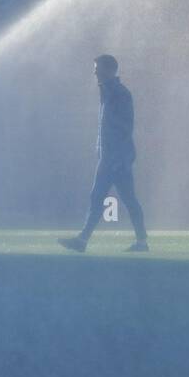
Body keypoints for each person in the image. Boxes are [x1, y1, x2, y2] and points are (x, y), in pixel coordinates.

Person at [58, 54, 148, 253]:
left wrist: (117, 157)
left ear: (109, 70)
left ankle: (83, 240)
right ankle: (141, 241)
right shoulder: (109, 91)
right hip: (111, 157)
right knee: (124, 198)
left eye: (97, 67)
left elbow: (125, 127)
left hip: (114, 158)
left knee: (102, 197)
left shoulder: (119, 94)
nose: (94, 71)